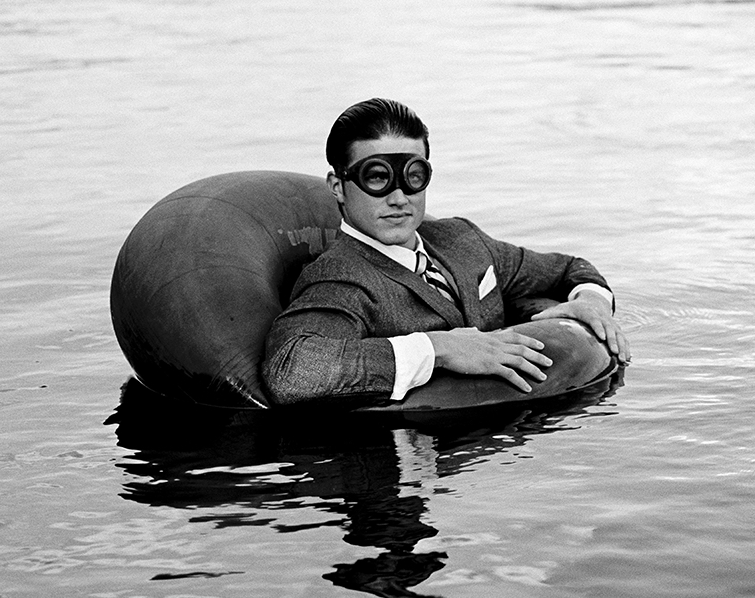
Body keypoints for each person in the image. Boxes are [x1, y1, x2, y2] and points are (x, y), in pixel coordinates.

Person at [262, 98, 625, 406]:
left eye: (413, 176)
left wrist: (592, 302)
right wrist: (438, 349)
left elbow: (568, 269)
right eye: (377, 177)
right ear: (338, 187)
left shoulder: (460, 240)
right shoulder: (340, 279)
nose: (399, 197)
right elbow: (289, 370)